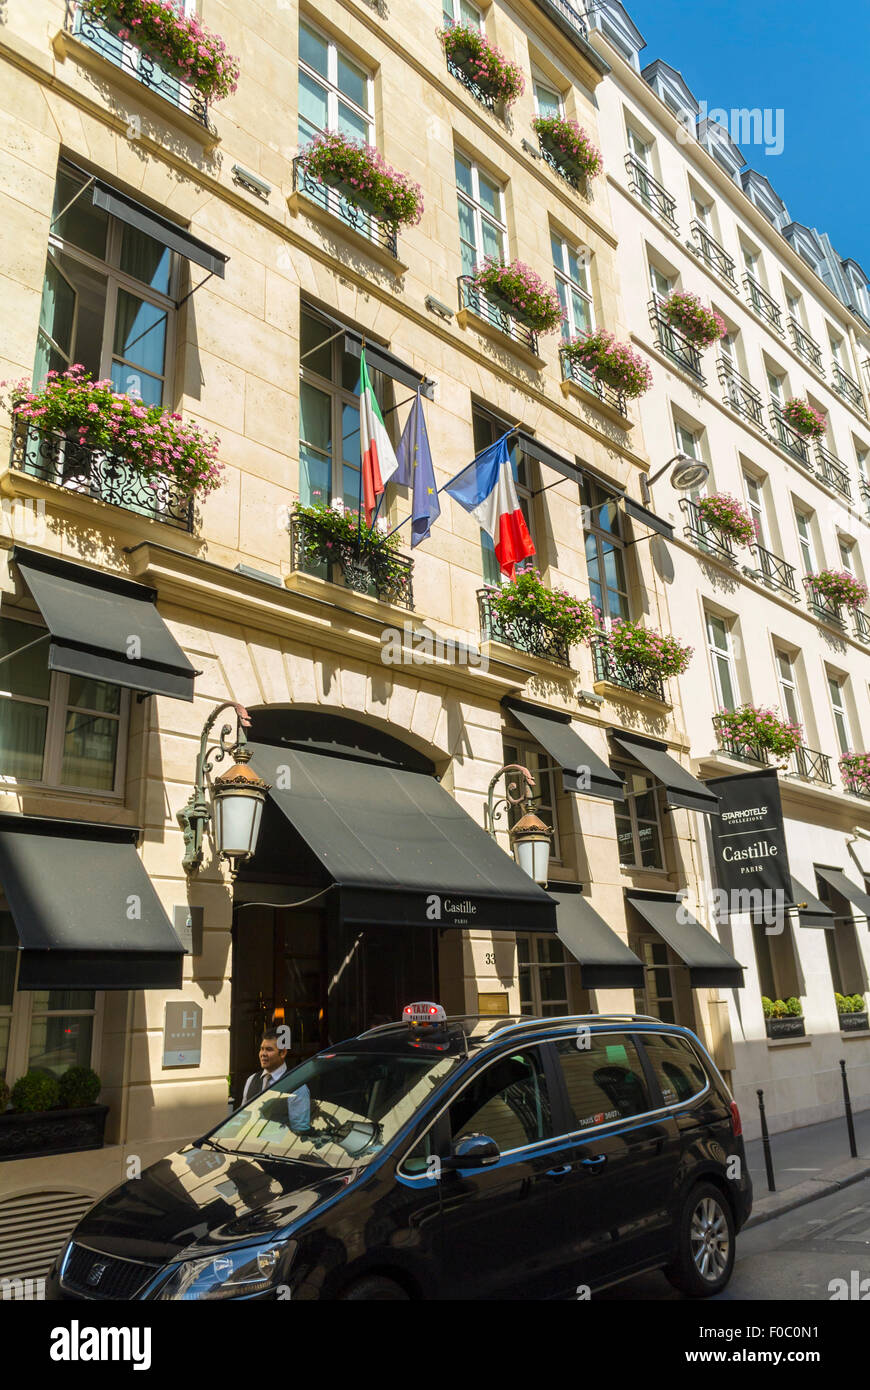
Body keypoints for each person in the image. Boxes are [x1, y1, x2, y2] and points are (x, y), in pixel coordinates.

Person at [240, 1027, 289, 1107]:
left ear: (283, 1053)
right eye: (262, 1049)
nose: (263, 1054)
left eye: (269, 1049)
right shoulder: (251, 1080)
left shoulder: (297, 1086)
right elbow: (243, 1115)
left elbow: (299, 1119)